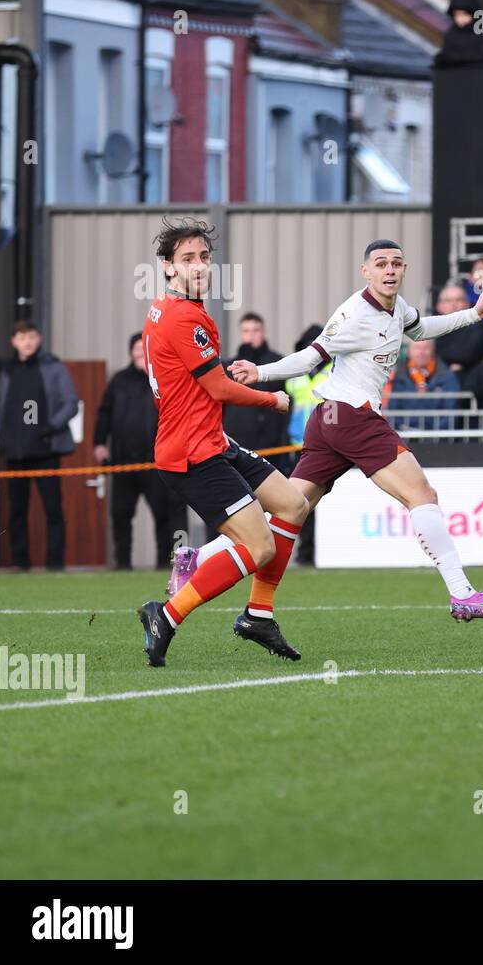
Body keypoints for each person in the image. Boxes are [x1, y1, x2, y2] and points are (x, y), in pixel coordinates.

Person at [218, 237, 483, 626]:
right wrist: (261, 373)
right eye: (381, 264)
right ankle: (462, 593)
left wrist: (473, 314)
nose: (389, 270)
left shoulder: (397, 309)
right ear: (366, 272)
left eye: (396, 264)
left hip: (328, 422)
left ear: (404, 270)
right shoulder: (354, 314)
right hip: (350, 417)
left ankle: (203, 557)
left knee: (289, 508)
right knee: (421, 494)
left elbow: (422, 328)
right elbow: (312, 356)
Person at [135, 218, 305, 667]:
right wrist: (273, 399)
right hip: (192, 454)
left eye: (204, 258)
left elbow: (206, 383)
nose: (198, 266)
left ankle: (258, 615)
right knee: (260, 545)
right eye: (187, 259)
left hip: (214, 441)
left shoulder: (168, 308)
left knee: (292, 504)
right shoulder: (184, 316)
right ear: (168, 267)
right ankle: (167, 615)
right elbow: (219, 390)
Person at [94, 333, 185, 570]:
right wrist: (100, 444)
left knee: (163, 516)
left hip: (155, 463)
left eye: (143, 349)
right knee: (121, 516)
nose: (139, 354)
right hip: (123, 462)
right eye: (135, 349)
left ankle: (164, 565)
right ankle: (122, 564)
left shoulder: (163, 378)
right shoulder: (119, 381)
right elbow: (103, 414)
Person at [0, 320, 77, 571]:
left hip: (46, 452)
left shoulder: (54, 367)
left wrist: (49, 427)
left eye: (30, 336)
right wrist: (4, 437)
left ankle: (55, 564)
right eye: (21, 337)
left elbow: (70, 403)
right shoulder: (7, 372)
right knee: (16, 511)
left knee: (53, 509)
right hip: (15, 454)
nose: (26, 342)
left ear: (38, 339)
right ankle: (20, 563)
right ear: (14, 342)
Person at [284, 324, 329, 567]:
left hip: (328, 447)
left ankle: (319, 553)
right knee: (301, 503)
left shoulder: (336, 369)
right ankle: (304, 553)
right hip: (295, 447)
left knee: (317, 502)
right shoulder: (296, 376)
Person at [223, 312, 289, 474]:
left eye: (255, 330)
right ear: (240, 334)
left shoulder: (278, 363)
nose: (251, 335)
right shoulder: (230, 367)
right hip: (237, 443)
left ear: (263, 332)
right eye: (246, 331)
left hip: (271, 446)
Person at [386, 337, 463, 431]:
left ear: (433, 350)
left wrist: (434, 434)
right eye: (417, 348)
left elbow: (452, 411)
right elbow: (393, 411)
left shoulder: (447, 377)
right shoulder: (399, 376)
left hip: (437, 440)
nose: (421, 352)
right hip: (405, 438)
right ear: (409, 351)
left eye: (426, 348)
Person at [433, 283, 483, 374]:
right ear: (439, 306)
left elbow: (470, 354)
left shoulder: (477, 325)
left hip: (472, 374)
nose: (454, 304)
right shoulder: (433, 324)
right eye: (448, 300)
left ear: (467, 303)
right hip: (439, 375)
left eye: (458, 300)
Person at [435, 0, 483, 66]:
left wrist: (452, 59)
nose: (460, 18)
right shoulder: (451, 34)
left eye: (464, 14)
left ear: (473, 14)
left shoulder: (481, 32)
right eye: (457, 14)